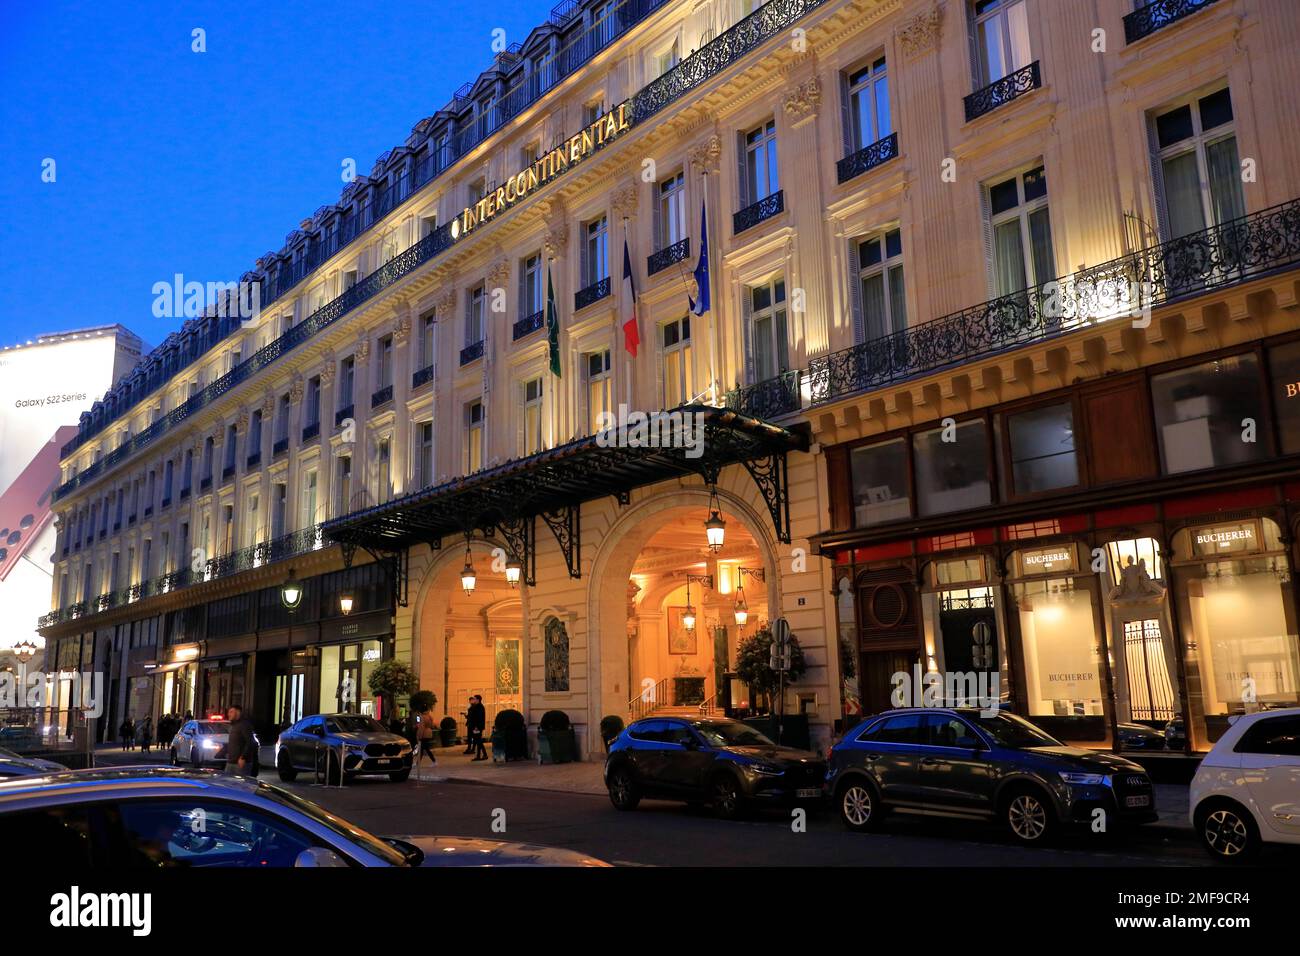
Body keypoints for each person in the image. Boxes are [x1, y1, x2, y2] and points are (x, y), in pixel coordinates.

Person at [224, 704, 257, 777]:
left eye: (231, 712)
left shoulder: (244, 725)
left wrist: (243, 757)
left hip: (240, 763)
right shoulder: (233, 725)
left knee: (241, 785)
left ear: (238, 712)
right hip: (231, 762)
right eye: (228, 712)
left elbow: (250, 742)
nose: (229, 714)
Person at [467, 695, 487, 761]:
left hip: (477, 727)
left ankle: (481, 755)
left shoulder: (480, 707)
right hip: (476, 727)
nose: (474, 700)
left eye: (475, 699)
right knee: (478, 741)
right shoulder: (476, 706)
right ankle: (482, 755)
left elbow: (479, 718)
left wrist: (476, 727)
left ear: (478, 700)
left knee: (478, 741)